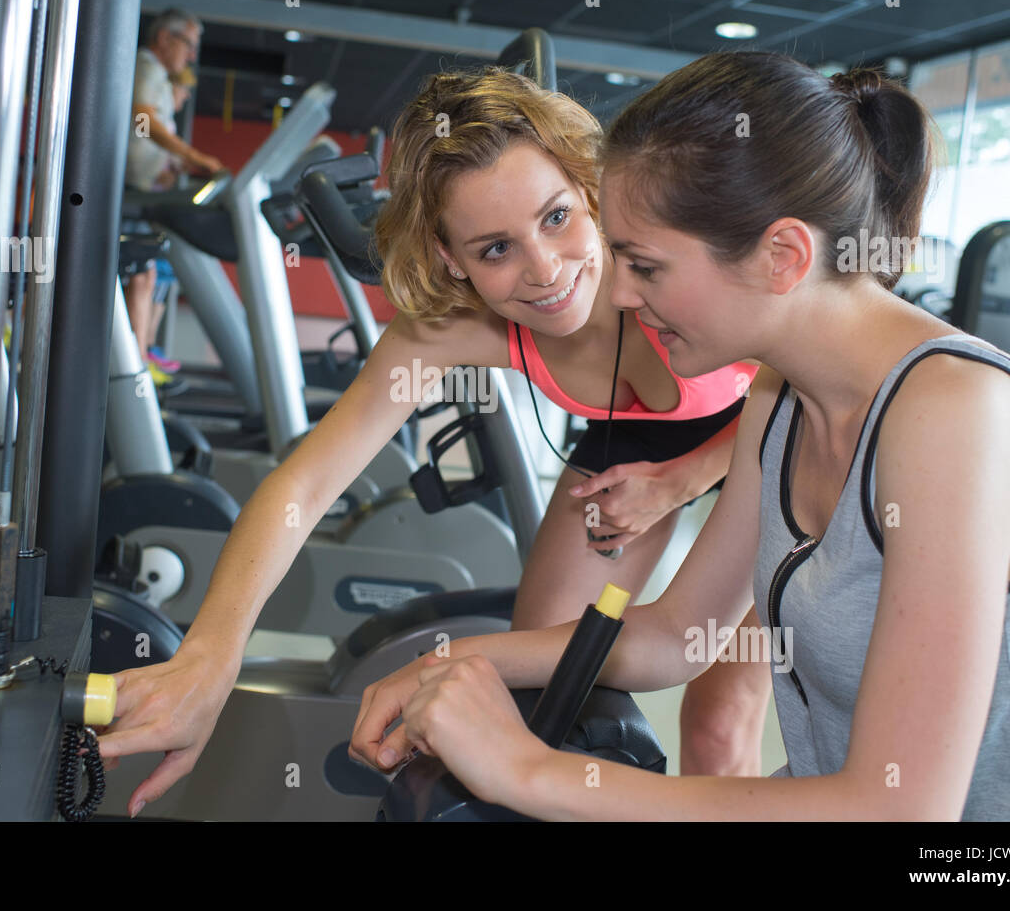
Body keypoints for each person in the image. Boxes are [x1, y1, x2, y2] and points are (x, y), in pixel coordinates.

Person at [348, 52, 1010, 821]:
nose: (623, 293)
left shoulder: (955, 419)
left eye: (644, 265)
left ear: (783, 257)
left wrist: (526, 770)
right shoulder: (780, 397)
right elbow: (678, 635)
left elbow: (894, 811)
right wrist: (454, 662)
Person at [96, 68, 773, 816]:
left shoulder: (667, 259)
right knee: (545, 677)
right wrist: (208, 659)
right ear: (450, 258)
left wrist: (679, 480)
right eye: (495, 250)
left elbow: (819, 385)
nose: (545, 271)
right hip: (634, 436)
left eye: (555, 218)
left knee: (718, 714)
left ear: (588, 186)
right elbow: (304, 487)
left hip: (775, 424)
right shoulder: (450, 328)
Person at [124, 8, 222, 378]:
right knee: (142, 274)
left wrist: (175, 165)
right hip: (126, 191)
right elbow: (142, 120)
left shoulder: (159, 77)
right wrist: (194, 155)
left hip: (142, 191)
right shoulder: (147, 65)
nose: (192, 55)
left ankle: (138, 359)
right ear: (165, 38)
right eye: (189, 44)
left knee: (146, 275)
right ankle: (134, 365)